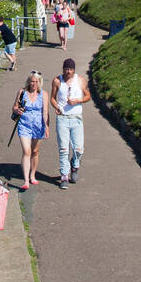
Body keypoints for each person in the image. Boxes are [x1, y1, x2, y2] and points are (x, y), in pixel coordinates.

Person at [51, 58, 88, 190]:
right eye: (66, 69)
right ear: (63, 69)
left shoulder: (80, 80)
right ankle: (64, 176)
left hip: (76, 118)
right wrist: (57, 107)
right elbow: (52, 98)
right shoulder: (57, 81)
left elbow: (87, 96)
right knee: (63, 148)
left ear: (74, 70)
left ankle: (75, 165)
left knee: (79, 149)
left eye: (71, 69)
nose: (68, 72)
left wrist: (78, 100)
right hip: (62, 118)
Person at [12, 71, 49, 190]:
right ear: (29, 82)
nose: (33, 84)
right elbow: (15, 106)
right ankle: (26, 180)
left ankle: (33, 175)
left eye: (36, 82)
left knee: (35, 151)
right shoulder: (22, 92)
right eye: (32, 81)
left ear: (39, 83)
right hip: (24, 124)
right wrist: (17, 110)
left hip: (38, 125)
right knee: (27, 151)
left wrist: (47, 127)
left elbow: (45, 112)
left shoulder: (44, 94)